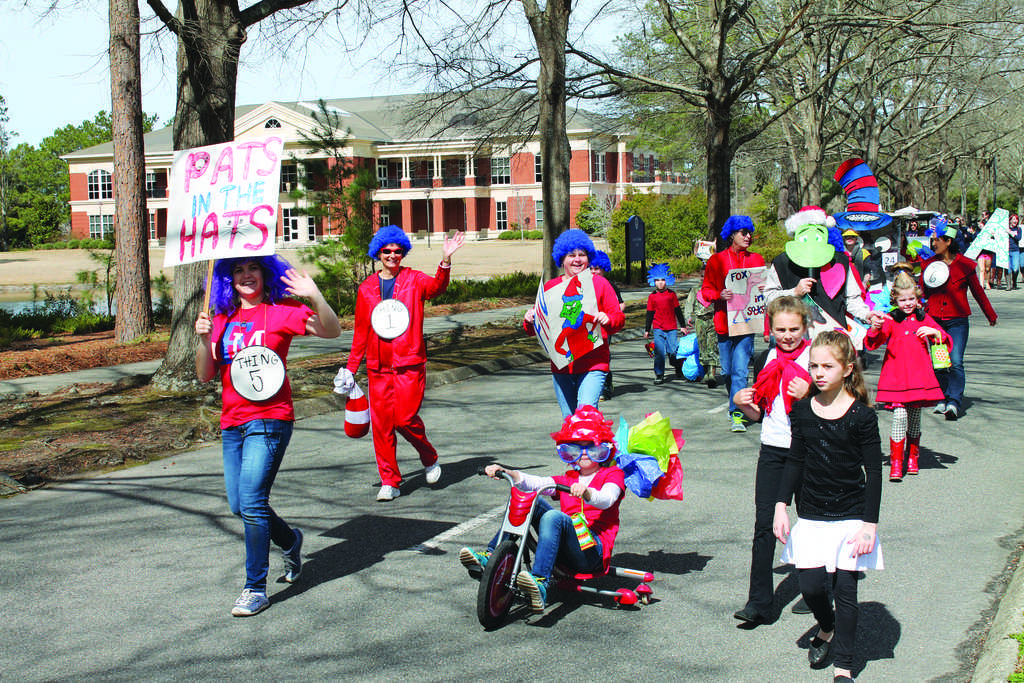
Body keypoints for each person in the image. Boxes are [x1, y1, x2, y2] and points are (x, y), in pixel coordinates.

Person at [195, 254, 342, 617]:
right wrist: (202, 339)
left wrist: (315, 296)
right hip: (233, 422)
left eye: (253, 268)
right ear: (228, 280)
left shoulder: (281, 311)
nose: (246, 275)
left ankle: (254, 588)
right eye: (238, 270)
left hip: (270, 418)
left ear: (265, 273)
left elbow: (332, 331)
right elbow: (204, 375)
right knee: (239, 505)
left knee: (253, 500)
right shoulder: (221, 318)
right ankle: (291, 540)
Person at [773, 331, 884, 683]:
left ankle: (845, 667)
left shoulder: (862, 417)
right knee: (811, 587)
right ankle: (826, 625)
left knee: (846, 590)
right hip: (812, 513)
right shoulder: (804, 410)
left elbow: (875, 471)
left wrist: (870, 524)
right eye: (813, 366)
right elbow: (795, 460)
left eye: (827, 366)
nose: (819, 373)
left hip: (851, 515)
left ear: (847, 369)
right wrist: (780, 505)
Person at [337, 225, 466, 502]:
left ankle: (429, 456)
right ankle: (390, 480)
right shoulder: (366, 289)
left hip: (409, 362)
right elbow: (361, 332)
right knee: (382, 424)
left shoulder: (414, 279)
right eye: (387, 251)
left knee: (404, 418)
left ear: (403, 252)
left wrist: (445, 261)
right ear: (378, 253)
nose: (392, 255)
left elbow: (436, 287)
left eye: (397, 251)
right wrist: (350, 367)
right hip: (378, 365)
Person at [459, 405, 626, 613]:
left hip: (591, 552)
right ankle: (490, 556)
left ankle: (540, 582)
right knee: (529, 499)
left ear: (604, 449)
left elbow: (607, 499)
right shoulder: (569, 478)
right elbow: (535, 482)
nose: (584, 454)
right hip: (566, 549)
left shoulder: (613, 474)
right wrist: (506, 471)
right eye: (576, 448)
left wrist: (587, 493)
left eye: (592, 448)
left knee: (554, 517)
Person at [732, 296, 813, 626]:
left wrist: (809, 392)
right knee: (763, 525)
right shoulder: (766, 357)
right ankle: (759, 603)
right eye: (781, 329)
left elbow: (833, 406)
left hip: (808, 450)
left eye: (794, 329)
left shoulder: (815, 357)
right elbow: (760, 412)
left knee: (811, 522)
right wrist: (741, 403)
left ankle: (816, 588)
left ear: (805, 327)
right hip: (773, 449)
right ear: (771, 329)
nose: (788, 335)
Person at [524, 229, 625, 418]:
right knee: (570, 422)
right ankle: (575, 449)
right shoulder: (550, 288)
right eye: (571, 255)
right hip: (562, 366)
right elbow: (536, 329)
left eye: (582, 255)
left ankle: (593, 446)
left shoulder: (600, 284)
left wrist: (608, 319)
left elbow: (618, 319)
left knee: (585, 418)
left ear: (589, 258)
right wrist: (530, 319)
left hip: (593, 363)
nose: (577, 260)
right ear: (562, 260)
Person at [865, 269, 951, 481]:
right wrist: (875, 327)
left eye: (911, 298)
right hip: (896, 377)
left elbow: (945, 338)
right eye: (902, 300)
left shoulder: (924, 318)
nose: (908, 303)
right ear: (895, 300)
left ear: (917, 297)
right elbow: (873, 343)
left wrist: (935, 333)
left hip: (919, 376)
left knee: (914, 418)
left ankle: (912, 457)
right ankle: (896, 462)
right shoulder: (890, 319)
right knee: (900, 416)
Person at [920, 223, 997, 421]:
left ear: (948, 242)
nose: (933, 243)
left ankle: (954, 401)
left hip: (958, 322)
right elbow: (922, 293)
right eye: (933, 239)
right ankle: (942, 397)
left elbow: (979, 293)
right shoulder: (929, 264)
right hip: (934, 321)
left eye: (937, 239)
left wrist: (990, 315)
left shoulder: (965, 265)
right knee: (939, 363)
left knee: (955, 362)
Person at [701, 215, 765, 432]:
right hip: (724, 323)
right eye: (743, 233)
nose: (748, 237)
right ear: (732, 235)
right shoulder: (716, 260)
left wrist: (764, 289)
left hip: (747, 324)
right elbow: (705, 290)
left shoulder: (756, 259)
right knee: (727, 371)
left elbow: (764, 288)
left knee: (739, 371)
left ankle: (736, 413)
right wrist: (719, 294)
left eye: (750, 233)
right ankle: (735, 399)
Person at [644, 263, 687, 385]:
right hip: (658, 328)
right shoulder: (652, 297)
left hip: (672, 328)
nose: (660, 283)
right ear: (653, 281)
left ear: (667, 280)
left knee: (673, 351)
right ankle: (659, 374)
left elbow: (677, 311)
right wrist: (647, 330)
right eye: (657, 280)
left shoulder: (671, 295)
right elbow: (649, 313)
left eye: (662, 280)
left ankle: (677, 366)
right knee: (659, 352)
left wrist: (682, 326)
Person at [590, 250, 623, 400]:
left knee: (604, 356)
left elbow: (621, 305)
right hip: (589, 328)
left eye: (597, 268)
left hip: (605, 327)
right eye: (591, 268)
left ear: (604, 268)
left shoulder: (610, 285)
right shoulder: (587, 285)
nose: (594, 272)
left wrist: (610, 316)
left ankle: (606, 387)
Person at [1007, 214, 1021, 290]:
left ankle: (1014, 282)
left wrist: (1011, 233)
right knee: (1008, 268)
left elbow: (1018, 238)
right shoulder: (1006, 228)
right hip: (1006, 251)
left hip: (1015, 250)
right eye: (1013, 219)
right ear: (1010, 220)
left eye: (1016, 219)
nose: (1015, 221)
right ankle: (1009, 285)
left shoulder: (1018, 229)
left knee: (1015, 268)